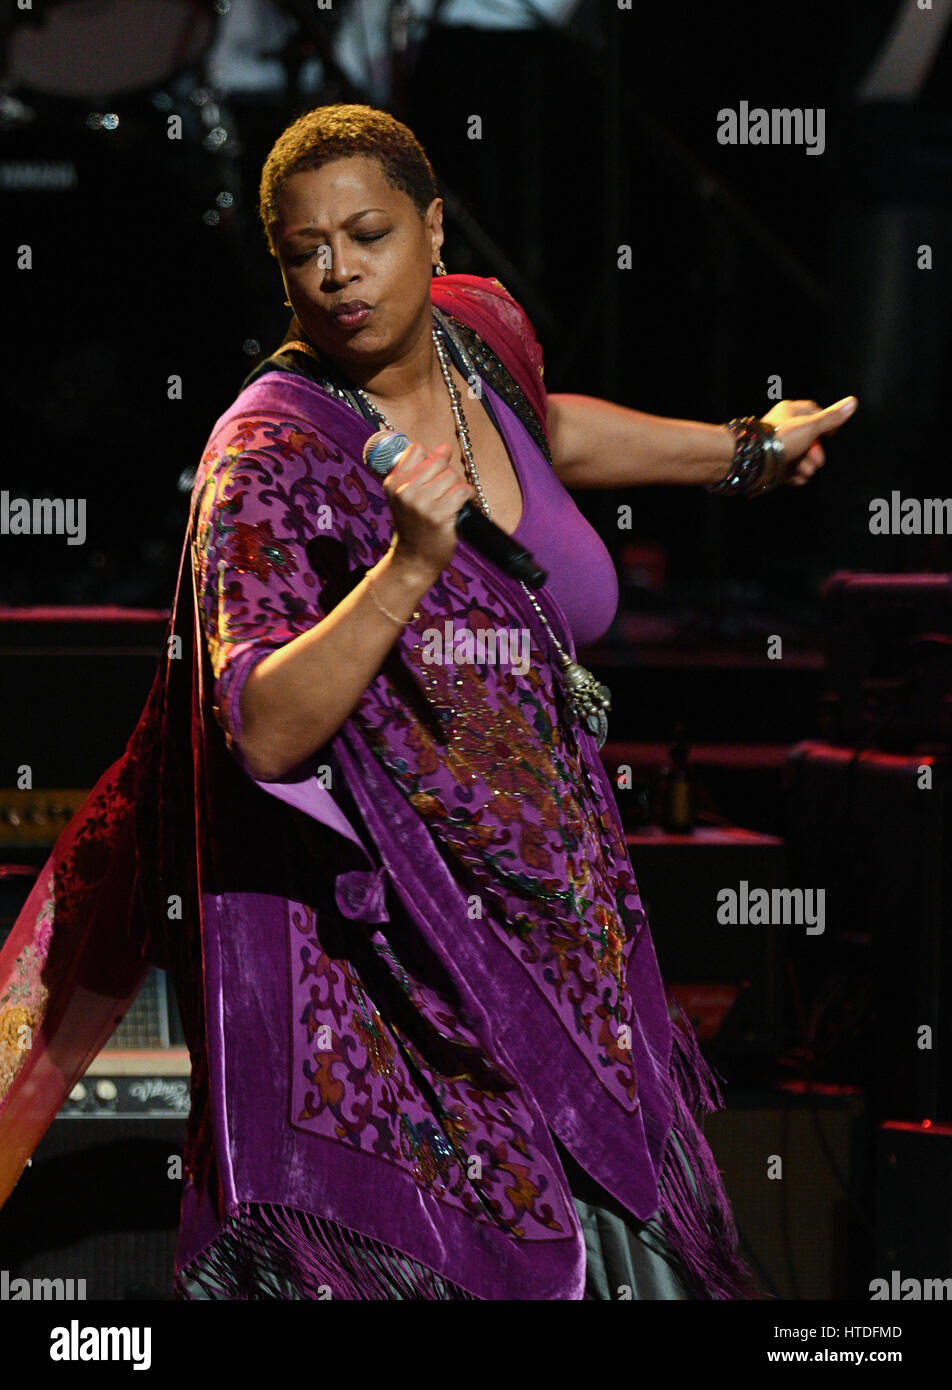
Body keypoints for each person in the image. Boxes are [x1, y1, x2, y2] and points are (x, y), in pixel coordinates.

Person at [0, 103, 857, 1300]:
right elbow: (261, 722)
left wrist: (742, 450)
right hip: (405, 965)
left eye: (367, 235)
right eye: (306, 250)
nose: (338, 271)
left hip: (567, 929)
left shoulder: (473, 338)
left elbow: (545, 431)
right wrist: (405, 568)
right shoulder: (268, 457)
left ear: (434, 230)